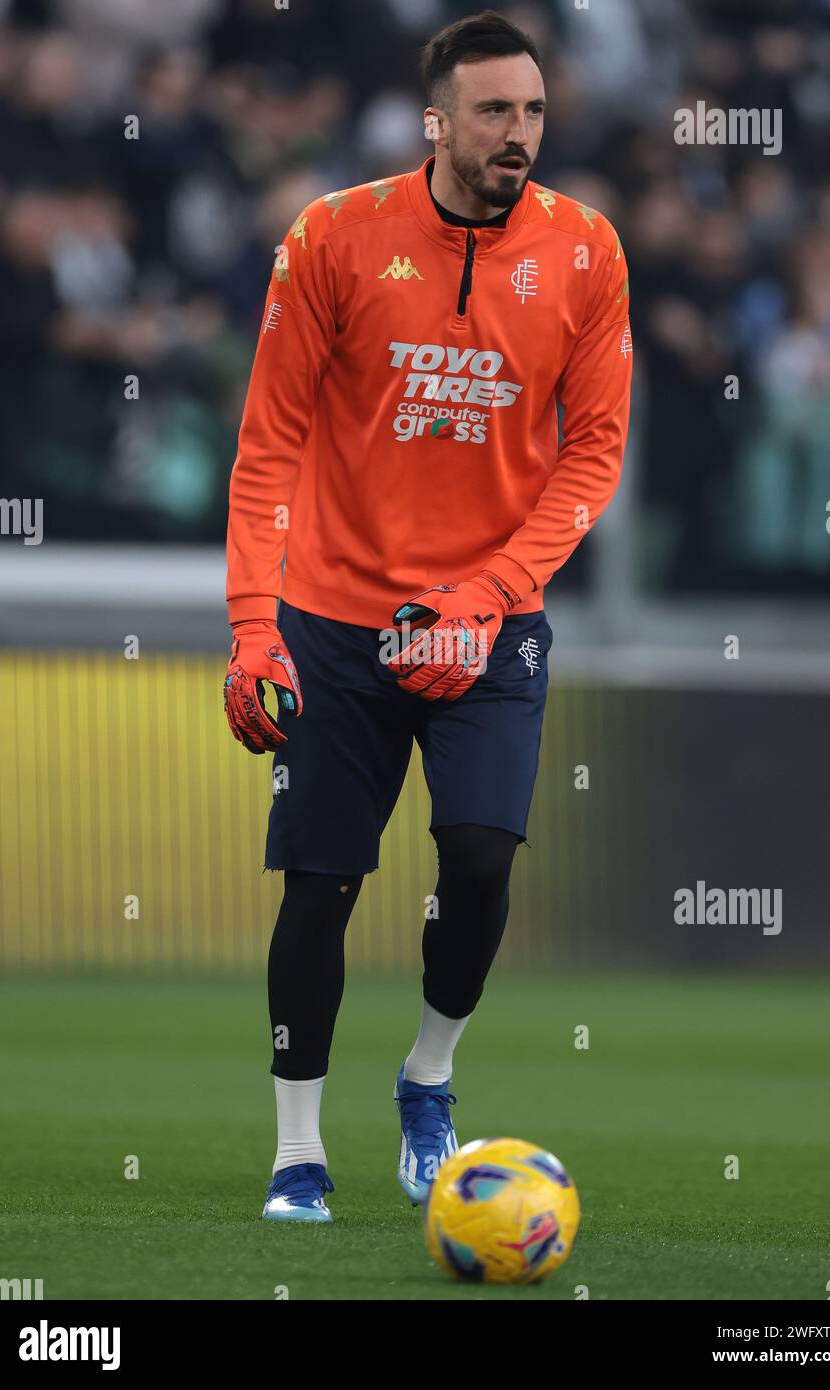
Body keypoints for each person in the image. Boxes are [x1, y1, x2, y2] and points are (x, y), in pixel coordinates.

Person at [223, 9, 632, 1223]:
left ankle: (427, 1078)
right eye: (496, 112)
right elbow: (266, 450)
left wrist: (489, 595)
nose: (520, 135)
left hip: (492, 619)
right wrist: (256, 627)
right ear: (436, 120)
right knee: (320, 883)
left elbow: (595, 451)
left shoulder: (587, 251)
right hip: (336, 621)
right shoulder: (334, 236)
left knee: (481, 856)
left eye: (535, 112)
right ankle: (298, 1149)